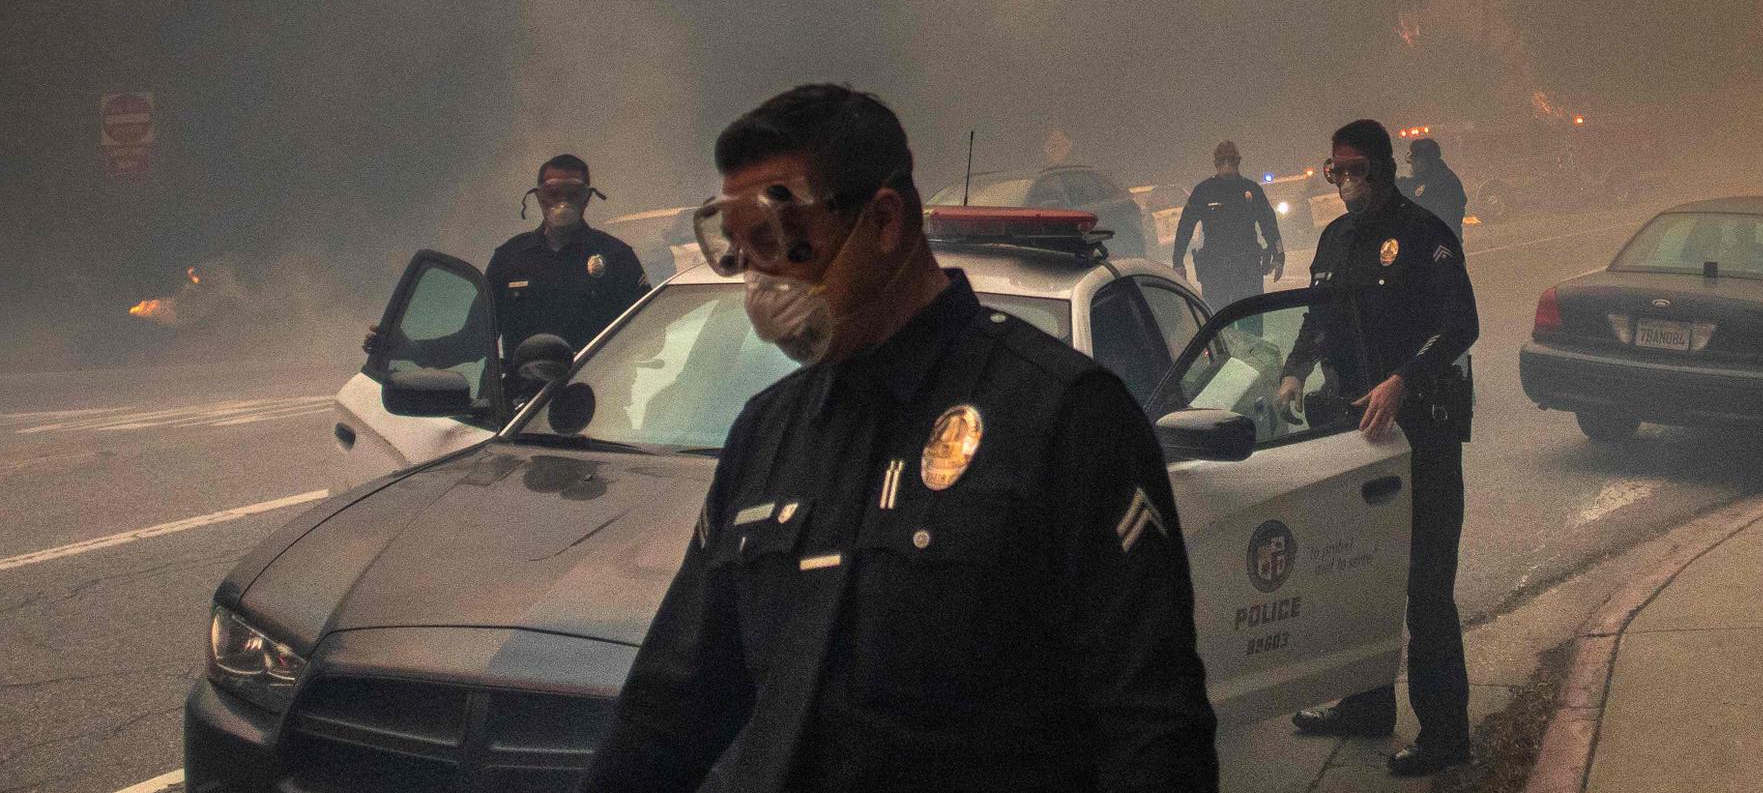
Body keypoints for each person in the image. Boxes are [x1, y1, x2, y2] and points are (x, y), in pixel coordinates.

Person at [580, 85, 1217, 793]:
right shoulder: (767, 433)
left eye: (778, 244)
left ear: (883, 223)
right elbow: (670, 704)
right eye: (745, 254)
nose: (762, 281)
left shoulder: (1061, 418)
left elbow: (1152, 732)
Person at [1280, 119, 1480, 777]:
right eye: (1333, 171)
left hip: (1419, 431)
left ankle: (1444, 735)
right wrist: (1291, 370)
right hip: (1355, 432)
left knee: (1424, 586)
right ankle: (1365, 704)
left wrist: (1402, 380)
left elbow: (1460, 324)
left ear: (1383, 169)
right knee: (1357, 573)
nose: (1342, 183)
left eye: (1354, 170)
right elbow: (1318, 314)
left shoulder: (1423, 234)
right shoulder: (1336, 239)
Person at [361, 155, 647, 362]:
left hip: (595, 407)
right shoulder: (511, 258)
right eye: (552, 192)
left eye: (574, 193)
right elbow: (473, 343)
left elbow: (644, 338)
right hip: (520, 412)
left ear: (587, 198)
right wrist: (408, 350)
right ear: (537, 197)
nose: (563, 201)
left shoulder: (617, 257)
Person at [1171, 138, 1284, 312]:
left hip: (1247, 267)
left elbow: (1269, 225)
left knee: (1251, 322)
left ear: (1238, 162)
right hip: (1215, 270)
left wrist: (1279, 257)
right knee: (1218, 324)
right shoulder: (1203, 191)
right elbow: (1185, 226)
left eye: (1231, 160)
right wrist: (1178, 261)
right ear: (1215, 163)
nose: (1227, 165)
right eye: (1222, 160)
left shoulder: (1251, 190)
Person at [1404, 136, 1468, 239]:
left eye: (1414, 161)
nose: (1412, 165)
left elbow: (1444, 220)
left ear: (1422, 161)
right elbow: (1403, 186)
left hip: (1440, 246)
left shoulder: (1446, 183)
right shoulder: (1424, 179)